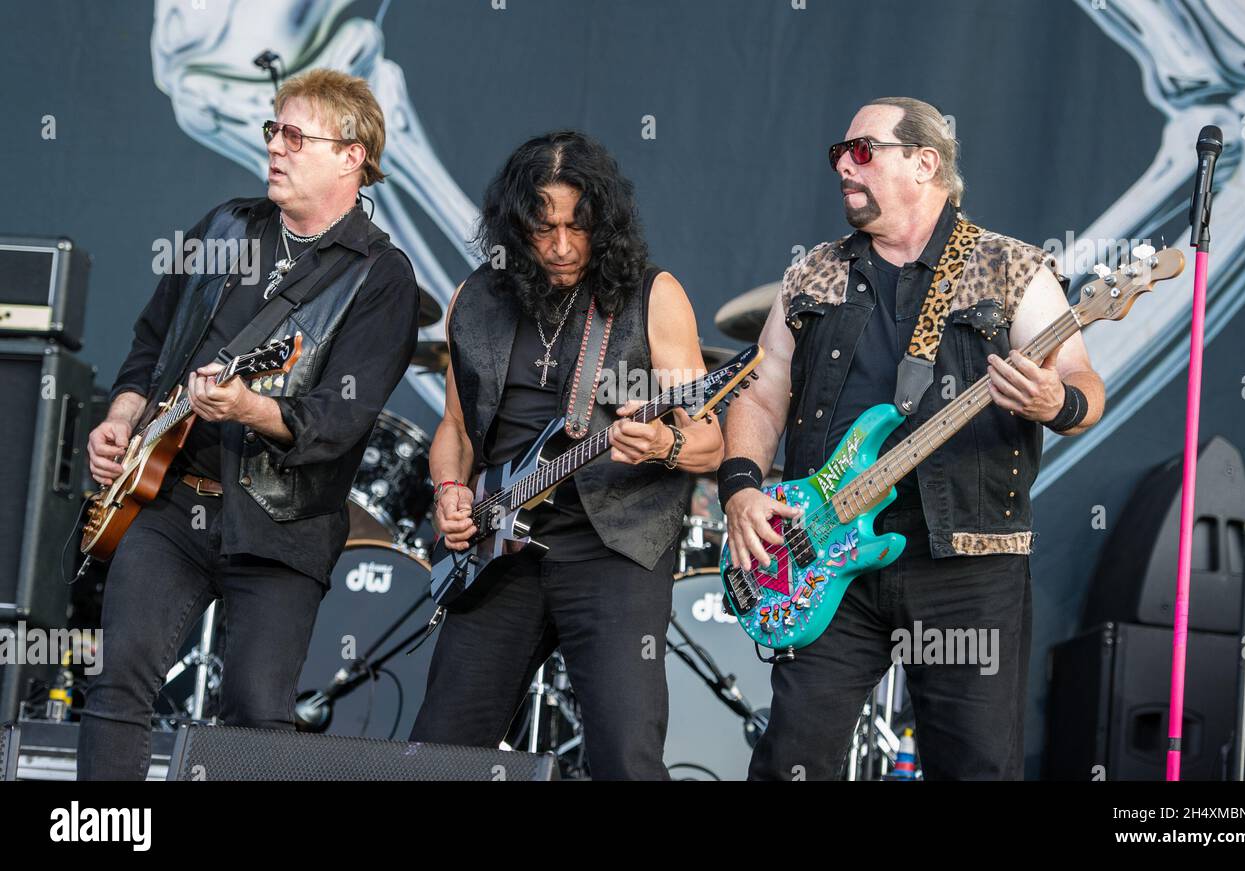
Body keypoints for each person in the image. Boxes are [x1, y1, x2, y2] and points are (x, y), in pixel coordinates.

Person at [721, 97, 1105, 780]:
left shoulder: (1011, 267)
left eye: (863, 151)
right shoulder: (812, 273)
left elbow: (1082, 385)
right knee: (789, 760)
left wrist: (1058, 400)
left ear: (925, 162)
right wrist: (741, 487)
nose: (843, 163)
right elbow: (763, 387)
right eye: (838, 153)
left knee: (974, 765)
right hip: (826, 552)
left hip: (966, 561)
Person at [79, 69, 419, 779]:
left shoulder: (381, 276)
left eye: (296, 135)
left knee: (256, 715)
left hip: (281, 522)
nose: (276, 147)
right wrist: (122, 416)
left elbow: (339, 419)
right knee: (116, 688)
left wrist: (249, 408)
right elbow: (151, 342)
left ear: (351, 155)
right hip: (168, 498)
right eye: (274, 130)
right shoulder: (224, 227)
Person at [409, 131, 722, 780]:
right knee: (439, 757)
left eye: (576, 227)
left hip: (613, 546)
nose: (559, 245)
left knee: (625, 759)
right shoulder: (477, 300)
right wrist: (448, 488)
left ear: (603, 222)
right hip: (501, 552)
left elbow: (711, 439)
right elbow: (457, 431)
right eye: (541, 226)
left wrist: (664, 442)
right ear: (512, 224)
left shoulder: (651, 296)